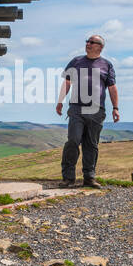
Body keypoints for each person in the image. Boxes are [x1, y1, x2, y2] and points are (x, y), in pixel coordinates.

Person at [55, 34, 119, 187]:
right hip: (76, 108)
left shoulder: (107, 65)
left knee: (91, 144)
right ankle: (68, 178)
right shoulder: (76, 61)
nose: (88, 44)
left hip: (97, 110)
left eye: (92, 42)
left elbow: (112, 87)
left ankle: (89, 178)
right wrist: (60, 101)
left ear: (100, 47)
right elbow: (67, 82)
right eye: (87, 41)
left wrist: (115, 108)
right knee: (73, 140)